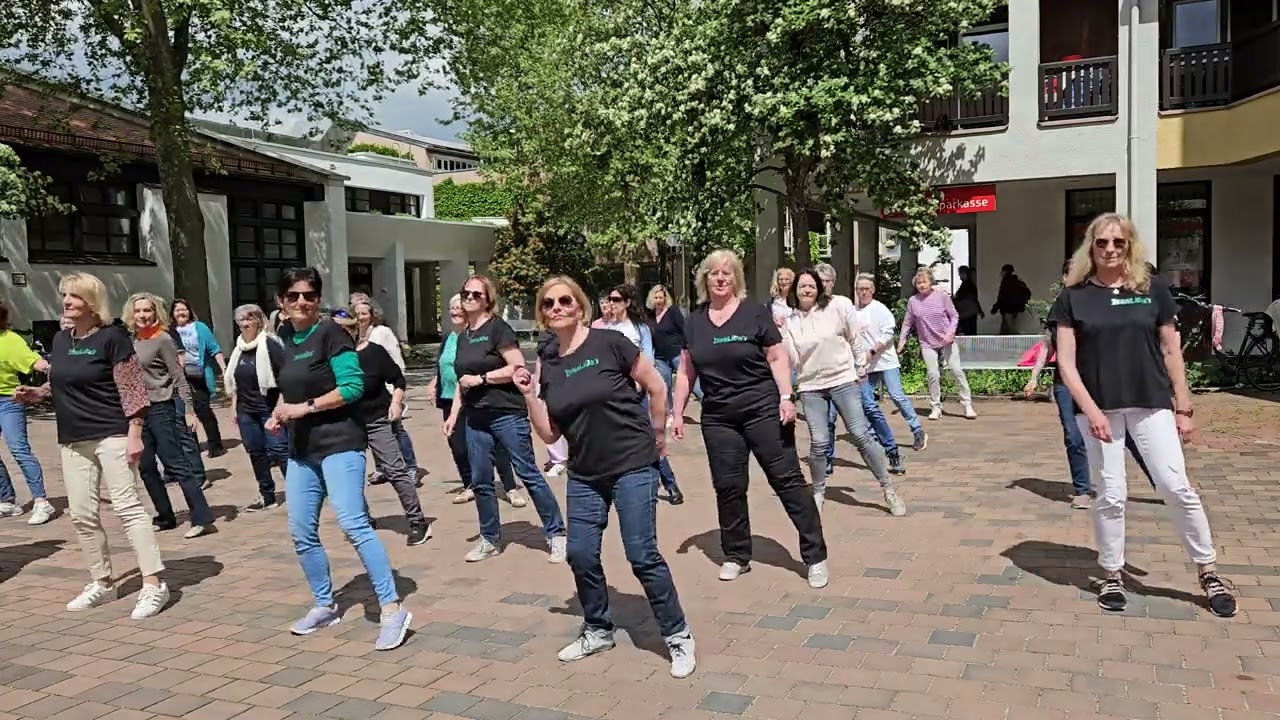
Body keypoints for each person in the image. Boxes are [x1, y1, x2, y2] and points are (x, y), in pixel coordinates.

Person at [1050, 213, 1235, 618]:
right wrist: (1092, 410)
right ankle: (1112, 573)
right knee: (1111, 495)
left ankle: (1208, 570)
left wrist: (1183, 408)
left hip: (1151, 403)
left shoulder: (1153, 290)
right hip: (1098, 411)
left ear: (1130, 246)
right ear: (1091, 246)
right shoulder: (1073, 296)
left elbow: (1172, 351)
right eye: (1102, 243)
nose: (1111, 249)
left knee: (1176, 486)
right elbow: (1066, 362)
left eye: (1119, 242)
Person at [516, 275, 696, 678]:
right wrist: (529, 396)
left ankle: (678, 633)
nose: (556, 307)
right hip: (584, 472)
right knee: (580, 553)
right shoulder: (550, 359)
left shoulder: (609, 343)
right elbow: (550, 432)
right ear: (542, 314)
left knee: (642, 555)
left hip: (632, 462)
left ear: (580, 307)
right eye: (548, 303)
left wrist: (658, 437)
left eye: (565, 301)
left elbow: (655, 386)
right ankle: (598, 627)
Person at [270, 267, 413, 649]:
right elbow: (289, 390)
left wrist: (306, 407)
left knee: (353, 524)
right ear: (281, 302)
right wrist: (280, 410)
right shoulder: (284, 337)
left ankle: (391, 608)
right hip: (302, 450)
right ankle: (325, 604)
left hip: (341, 443)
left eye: (310, 295)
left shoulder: (332, 333)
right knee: (301, 531)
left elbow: (352, 387)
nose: (303, 301)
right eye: (294, 295)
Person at [15, 273, 169, 618]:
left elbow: (133, 390)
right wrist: (37, 394)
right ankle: (101, 581)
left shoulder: (113, 338)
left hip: (112, 434)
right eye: (65, 296)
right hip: (73, 438)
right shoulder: (59, 340)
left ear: (92, 304)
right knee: (83, 515)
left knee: (128, 509)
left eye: (75, 297)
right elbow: (60, 385)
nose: (67, 302)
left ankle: (153, 583)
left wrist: (135, 432)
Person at [673, 250, 829, 589]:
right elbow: (687, 371)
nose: (720, 278)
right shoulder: (695, 321)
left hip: (762, 410)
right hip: (719, 417)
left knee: (787, 481)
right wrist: (677, 412)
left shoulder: (754, 314)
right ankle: (737, 555)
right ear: (704, 279)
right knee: (728, 488)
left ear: (736, 279)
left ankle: (815, 556)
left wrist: (786, 398)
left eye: (727, 273)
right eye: (714, 272)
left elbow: (776, 356)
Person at [444, 275, 567, 563]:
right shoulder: (463, 336)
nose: (470, 298)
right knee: (481, 480)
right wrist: (453, 414)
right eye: (466, 293)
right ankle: (489, 538)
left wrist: (483, 378)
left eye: (476, 294)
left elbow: (517, 366)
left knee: (528, 473)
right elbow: (463, 381)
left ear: (488, 300)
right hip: (475, 418)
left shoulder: (497, 329)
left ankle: (556, 533)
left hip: (506, 414)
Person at [1027, 262, 1155, 510]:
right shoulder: (1060, 308)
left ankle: (1161, 483)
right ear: (1064, 277)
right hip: (1065, 383)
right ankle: (1082, 490)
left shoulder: (1099, 305)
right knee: (1073, 436)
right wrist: (1034, 376)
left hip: (1099, 381)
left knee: (1128, 436)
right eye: (1069, 274)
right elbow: (1047, 346)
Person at [784, 269, 905, 516]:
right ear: (794, 291)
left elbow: (854, 338)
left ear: (819, 288)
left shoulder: (838, 306)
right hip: (811, 387)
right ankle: (818, 492)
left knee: (860, 434)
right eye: (802, 286)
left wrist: (861, 366)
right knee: (819, 442)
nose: (807, 290)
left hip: (843, 379)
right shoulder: (790, 321)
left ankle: (888, 489)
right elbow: (792, 360)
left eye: (811, 285)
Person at [332, 310, 430, 546]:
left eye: (346, 330)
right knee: (350, 475)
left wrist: (396, 402)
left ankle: (418, 521)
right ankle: (362, 519)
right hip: (347, 423)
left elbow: (398, 379)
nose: (340, 336)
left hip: (377, 419)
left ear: (355, 330)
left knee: (395, 470)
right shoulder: (330, 358)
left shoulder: (374, 352)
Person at [124, 293, 216, 539]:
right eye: (138, 311)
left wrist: (188, 410)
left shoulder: (162, 339)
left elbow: (179, 377)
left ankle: (203, 518)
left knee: (176, 464)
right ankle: (165, 516)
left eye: (147, 310)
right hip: (137, 412)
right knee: (146, 467)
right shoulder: (131, 340)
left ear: (156, 313)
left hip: (161, 409)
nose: (143, 315)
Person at [428, 295, 521, 505]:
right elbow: (444, 363)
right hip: (449, 397)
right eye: (450, 308)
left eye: (457, 308)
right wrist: (435, 381)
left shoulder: (476, 335)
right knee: (458, 445)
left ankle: (510, 487)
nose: (453, 312)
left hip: (475, 398)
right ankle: (470, 484)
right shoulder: (449, 337)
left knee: (495, 446)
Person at [597, 284, 683, 504]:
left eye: (616, 300)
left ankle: (670, 484)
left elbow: (648, 360)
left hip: (636, 393)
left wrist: (638, 384)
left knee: (650, 440)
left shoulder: (639, 328)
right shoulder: (605, 329)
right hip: (612, 395)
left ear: (626, 302)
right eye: (609, 299)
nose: (611, 304)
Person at [853, 273, 926, 474]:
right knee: (866, 403)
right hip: (866, 366)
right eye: (860, 289)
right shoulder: (852, 312)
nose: (864, 292)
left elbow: (887, 333)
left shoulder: (880, 309)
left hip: (885, 362)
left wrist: (873, 350)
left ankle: (917, 429)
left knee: (896, 395)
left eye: (867, 288)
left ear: (873, 290)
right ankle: (874, 440)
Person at [225, 304, 289, 511]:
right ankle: (267, 495)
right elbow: (235, 382)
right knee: (255, 452)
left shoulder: (270, 344)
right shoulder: (238, 348)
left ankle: (299, 491)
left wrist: (281, 407)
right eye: (240, 320)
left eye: (249, 319)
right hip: (246, 410)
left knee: (280, 450)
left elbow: (285, 376)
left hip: (268, 408)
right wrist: (234, 407)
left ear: (259, 321)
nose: (244, 323)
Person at [350, 296, 421, 482]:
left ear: (373, 315)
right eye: (356, 314)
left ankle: (410, 466)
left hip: (388, 389)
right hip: (369, 393)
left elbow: (396, 362)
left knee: (396, 429)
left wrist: (396, 393)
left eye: (364, 313)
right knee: (374, 431)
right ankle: (382, 467)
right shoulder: (351, 336)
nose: (360, 317)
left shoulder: (383, 333)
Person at [0, 301, 53, 524]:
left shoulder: (10, 340)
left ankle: (42, 502)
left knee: (19, 449)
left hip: (9, 400)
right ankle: (7, 500)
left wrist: (58, 368)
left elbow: (39, 364)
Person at [898, 267, 976, 420]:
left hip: (946, 339)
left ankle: (967, 404)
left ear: (930, 282)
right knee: (933, 374)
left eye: (924, 282)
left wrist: (950, 332)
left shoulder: (942, 297)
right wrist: (902, 340)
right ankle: (936, 406)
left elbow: (954, 316)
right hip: (927, 342)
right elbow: (907, 323)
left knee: (956, 371)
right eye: (918, 283)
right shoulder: (913, 301)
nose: (921, 285)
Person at [170, 299, 226, 457]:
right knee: (184, 411)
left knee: (202, 410)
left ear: (189, 311)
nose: (181, 313)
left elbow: (214, 349)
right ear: (172, 314)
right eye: (177, 310)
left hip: (199, 374)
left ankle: (215, 444)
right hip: (179, 377)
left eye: (184, 309)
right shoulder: (170, 330)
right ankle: (192, 445)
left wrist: (223, 368)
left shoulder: (199, 328)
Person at [647, 284, 686, 429]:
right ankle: (670, 413)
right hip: (660, 357)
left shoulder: (673, 312)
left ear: (665, 298)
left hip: (676, 353)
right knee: (665, 386)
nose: (658, 300)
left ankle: (709, 406)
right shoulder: (650, 315)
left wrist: (686, 349)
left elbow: (684, 329)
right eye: (656, 297)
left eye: (661, 297)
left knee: (691, 382)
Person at [535, 328, 570, 478]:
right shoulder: (545, 336)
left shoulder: (569, 334)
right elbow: (540, 359)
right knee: (550, 421)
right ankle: (558, 460)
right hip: (547, 382)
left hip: (566, 380)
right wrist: (537, 382)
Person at [992, 263, 1032, 335]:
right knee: (1011, 329)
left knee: (1009, 331)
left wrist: (995, 307)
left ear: (1005, 272)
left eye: (1002, 271)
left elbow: (1002, 297)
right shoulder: (1019, 282)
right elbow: (1028, 293)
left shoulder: (1006, 282)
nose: (1001, 273)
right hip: (1017, 310)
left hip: (1008, 310)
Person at [954, 265, 984, 335]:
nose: (960, 276)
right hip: (971, 312)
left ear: (964, 274)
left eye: (960, 274)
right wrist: (979, 310)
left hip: (965, 313)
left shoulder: (965, 286)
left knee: (967, 333)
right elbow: (975, 299)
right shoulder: (971, 285)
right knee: (971, 332)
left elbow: (963, 298)